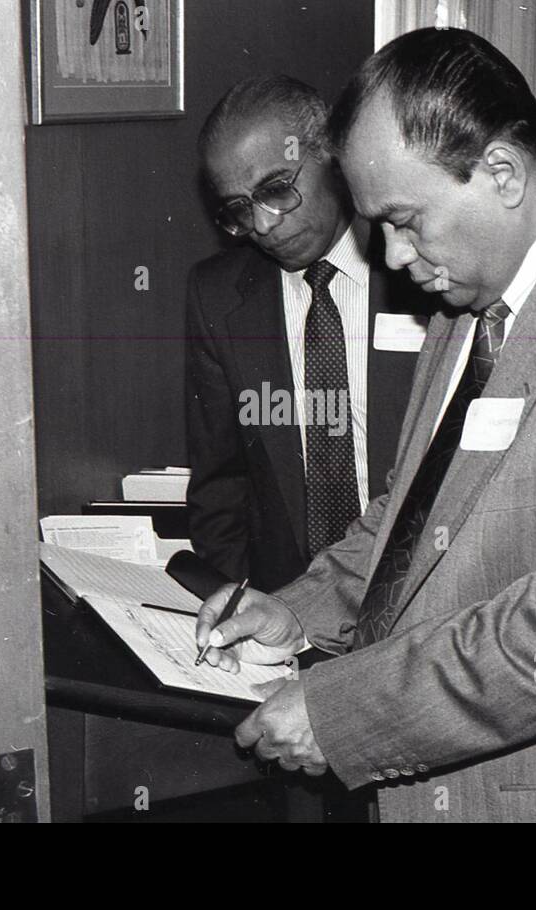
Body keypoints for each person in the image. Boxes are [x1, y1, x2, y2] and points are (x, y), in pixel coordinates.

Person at [194, 29, 536, 822]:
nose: (390, 255)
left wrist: (345, 712)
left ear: (500, 171)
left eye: (404, 219)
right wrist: (301, 607)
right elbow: (413, 518)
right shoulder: (468, 302)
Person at [186, 75, 433, 592]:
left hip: (419, 593)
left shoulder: (422, 267)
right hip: (286, 607)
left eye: (276, 190)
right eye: (238, 208)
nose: (264, 224)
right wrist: (239, 606)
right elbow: (219, 487)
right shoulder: (218, 297)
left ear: (334, 157)